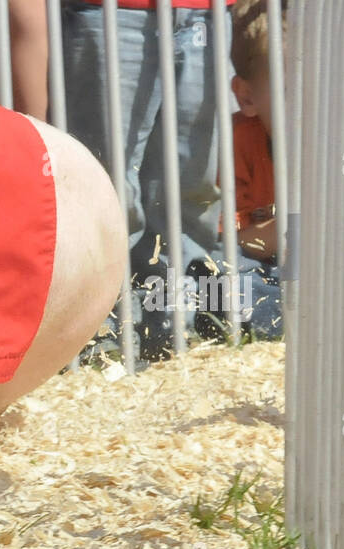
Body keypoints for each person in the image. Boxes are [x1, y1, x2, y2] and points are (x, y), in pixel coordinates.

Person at [62, 0, 235, 362]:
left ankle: (179, 330)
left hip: (206, 12)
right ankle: (104, 336)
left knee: (191, 190)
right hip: (112, 12)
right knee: (106, 191)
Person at [196, 0, 281, 342]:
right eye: (289, 92)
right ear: (246, 95)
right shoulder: (234, 142)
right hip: (256, 263)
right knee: (216, 276)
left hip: (321, 268)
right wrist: (285, 233)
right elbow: (227, 239)